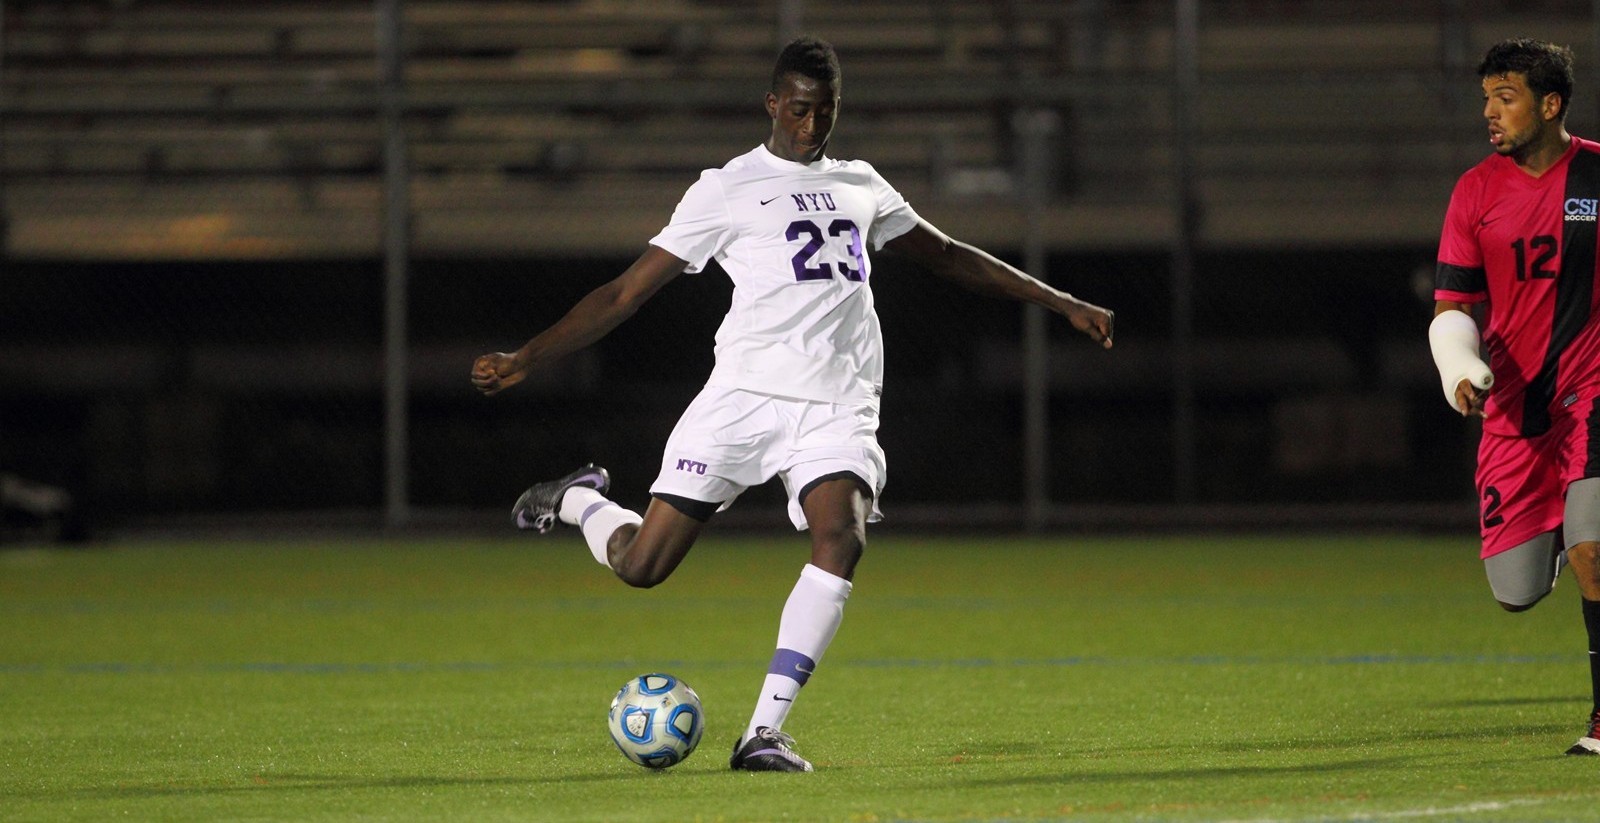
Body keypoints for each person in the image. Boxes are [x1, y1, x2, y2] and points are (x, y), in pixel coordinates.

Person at [472, 36, 1115, 772]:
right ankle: (580, 501)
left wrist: (1061, 301)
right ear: (773, 104)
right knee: (643, 567)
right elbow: (624, 294)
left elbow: (948, 255)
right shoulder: (727, 188)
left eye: (825, 112)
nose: (811, 126)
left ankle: (762, 733)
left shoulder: (861, 183)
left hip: (837, 404)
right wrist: (527, 356)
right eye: (800, 110)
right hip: (743, 398)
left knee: (841, 534)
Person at [1431, 38, 1600, 755]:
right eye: (1487, 100)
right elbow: (1453, 306)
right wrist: (1459, 368)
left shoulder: (1595, 174)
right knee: (1515, 591)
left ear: (1550, 104)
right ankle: (1564, 525)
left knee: (1596, 548)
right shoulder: (1475, 191)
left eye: (1506, 98)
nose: (1490, 113)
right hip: (1515, 409)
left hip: (1591, 390)